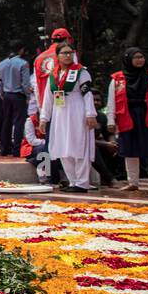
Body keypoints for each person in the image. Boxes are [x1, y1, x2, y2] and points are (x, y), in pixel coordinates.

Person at [105, 47, 148, 191]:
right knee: (130, 150)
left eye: (141, 57)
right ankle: (133, 182)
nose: (140, 60)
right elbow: (111, 102)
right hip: (128, 117)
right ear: (128, 59)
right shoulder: (117, 79)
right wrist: (111, 119)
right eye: (136, 57)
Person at [38, 42, 96, 192]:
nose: (68, 55)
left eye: (70, 52)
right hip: (60, 113)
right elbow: (48, 98)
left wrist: (90, 114)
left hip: (77, 110)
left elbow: (87, 94)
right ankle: (73, 181)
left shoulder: (81, 72)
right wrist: (44, 118)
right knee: (63, 145)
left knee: (79, 145)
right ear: (57, 56)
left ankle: (82, 182)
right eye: (64, 53)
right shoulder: (54, 74)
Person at [0, 41, 33, 158]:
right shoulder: (23, 64)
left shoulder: (1, 64)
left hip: (7, 95)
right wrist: (28, 96)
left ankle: (4, 149)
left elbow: (0, 82)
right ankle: (16, 150)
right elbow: (25, 83)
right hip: (18, 95)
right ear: (21, 50)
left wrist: (2, 94)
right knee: (19, 122)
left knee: (6, 121)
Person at [34, 27, 77, 110]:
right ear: (67, 40)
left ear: (52, 40)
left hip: (45, 102)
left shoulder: (38, 58)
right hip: (63, 101)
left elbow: (36, 84)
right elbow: (73, 76)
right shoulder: (68, 54)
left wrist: (40, 106)